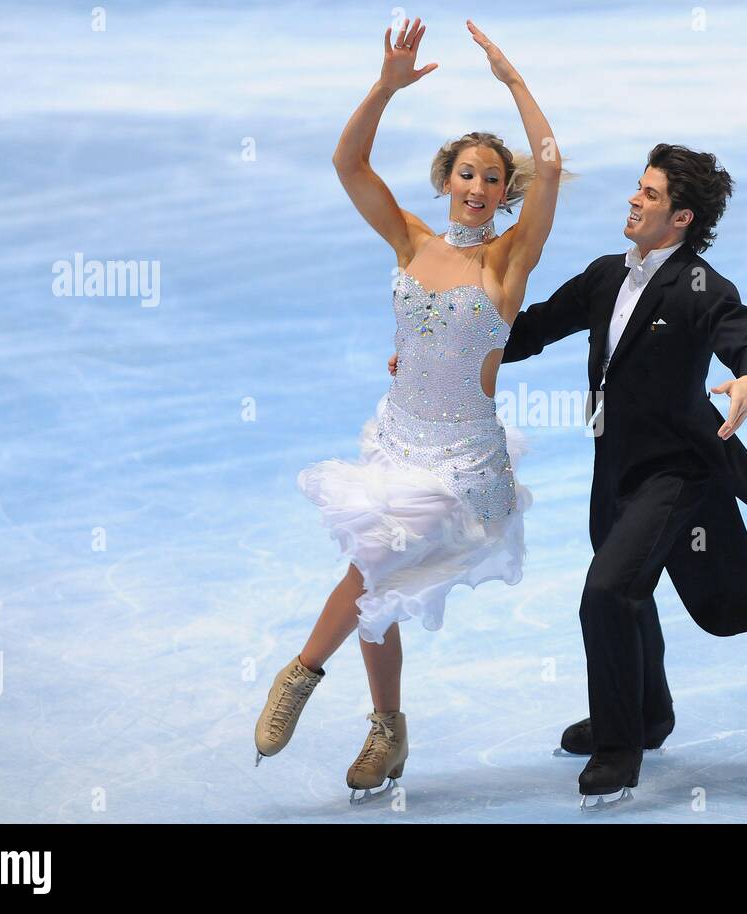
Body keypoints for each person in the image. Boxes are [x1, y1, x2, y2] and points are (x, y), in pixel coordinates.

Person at [391, 144, 747, 807]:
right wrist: (442, 349)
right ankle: (648, 713)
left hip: (677, 473)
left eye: (650, 194)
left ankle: (619, 748)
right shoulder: (606, 277)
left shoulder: (701, 288)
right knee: (630, 588)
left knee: (606, 592)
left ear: (681, 218)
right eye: (638, 187)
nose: (634, 199)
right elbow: (530, 330)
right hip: (614, 469)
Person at [254, 17, 563, 804]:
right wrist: (385, 87)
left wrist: (512, 80)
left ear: (504, 192)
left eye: (492, 177)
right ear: (446, 177)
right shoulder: (410, 239)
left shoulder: (506, 261)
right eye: (466, 172)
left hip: (459, 462)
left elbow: (552, 164)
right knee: (378, 576)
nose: (477, 186)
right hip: (397, 438)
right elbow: (347, 161)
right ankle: (388, 729)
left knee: (373, 562)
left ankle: (301, 672)